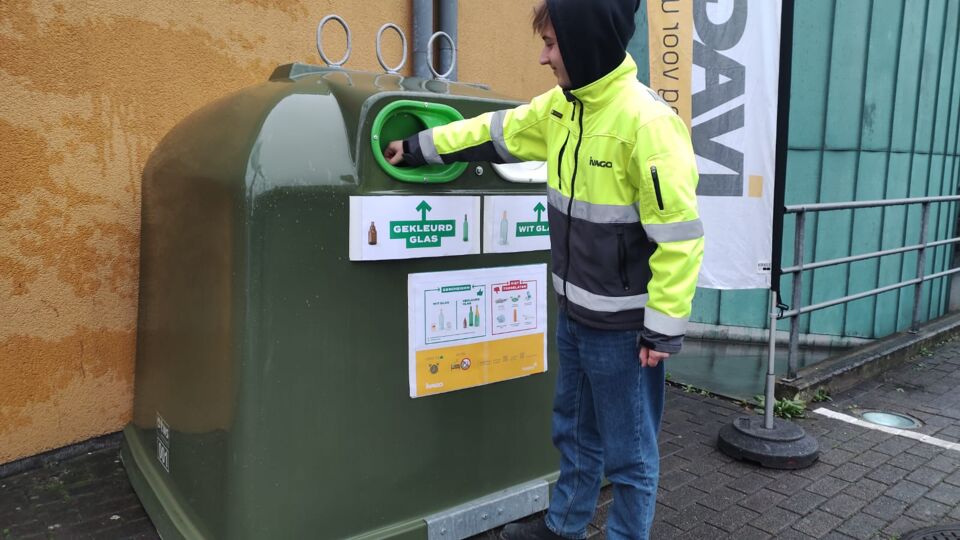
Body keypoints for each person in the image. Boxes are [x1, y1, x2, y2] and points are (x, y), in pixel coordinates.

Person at [384, 0, 703, 537]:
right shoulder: (563, 109)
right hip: (574, 316)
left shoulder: (647, 123)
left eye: (552, 44)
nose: (542, 57)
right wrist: (419, 146)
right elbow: (494, 131)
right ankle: (563, 528)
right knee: (574, 436)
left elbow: (679, 240)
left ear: (586, 44)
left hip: (626, 333)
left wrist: (662, 329)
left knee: (631, 457)